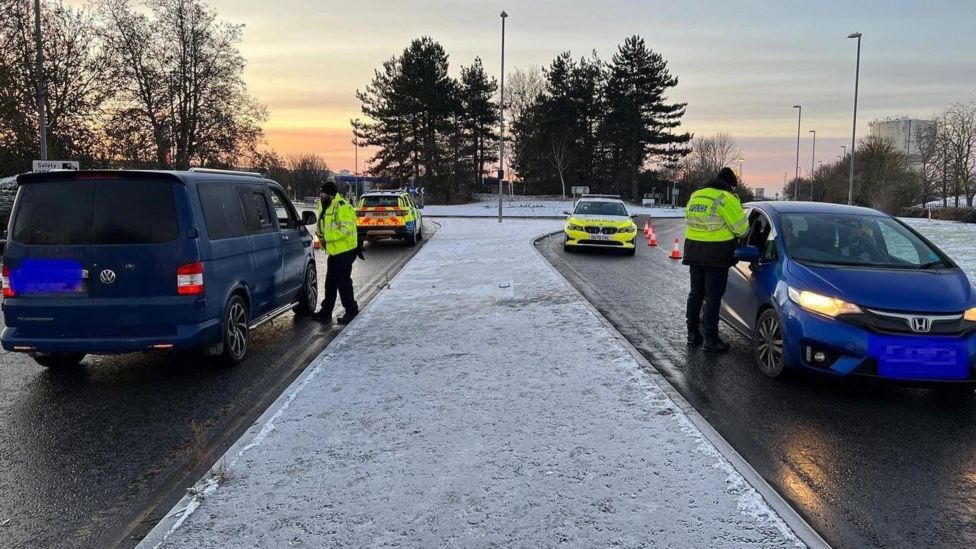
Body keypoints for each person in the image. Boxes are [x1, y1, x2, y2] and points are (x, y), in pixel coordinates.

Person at [683, 167, 748, 353]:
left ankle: (692, 334)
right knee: (712, 298)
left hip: (694, 251)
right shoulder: (726, 199)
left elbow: (689, 221)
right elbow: (742, 229)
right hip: (717, 254)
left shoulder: (696, 195)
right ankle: (711, 340)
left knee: (695, 294)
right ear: (729, 185)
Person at [314, 181, 360, 324]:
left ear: (330, 194)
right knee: (330, 283)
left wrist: (326, 237)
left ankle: (351, 310)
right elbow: (323, 225)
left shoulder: (342, 207)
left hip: (345, 250)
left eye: (323, 193)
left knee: (343, 282)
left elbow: (346, 230)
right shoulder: (325, 205)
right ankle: (326, 312)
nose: (320, 195)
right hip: (334, 251)